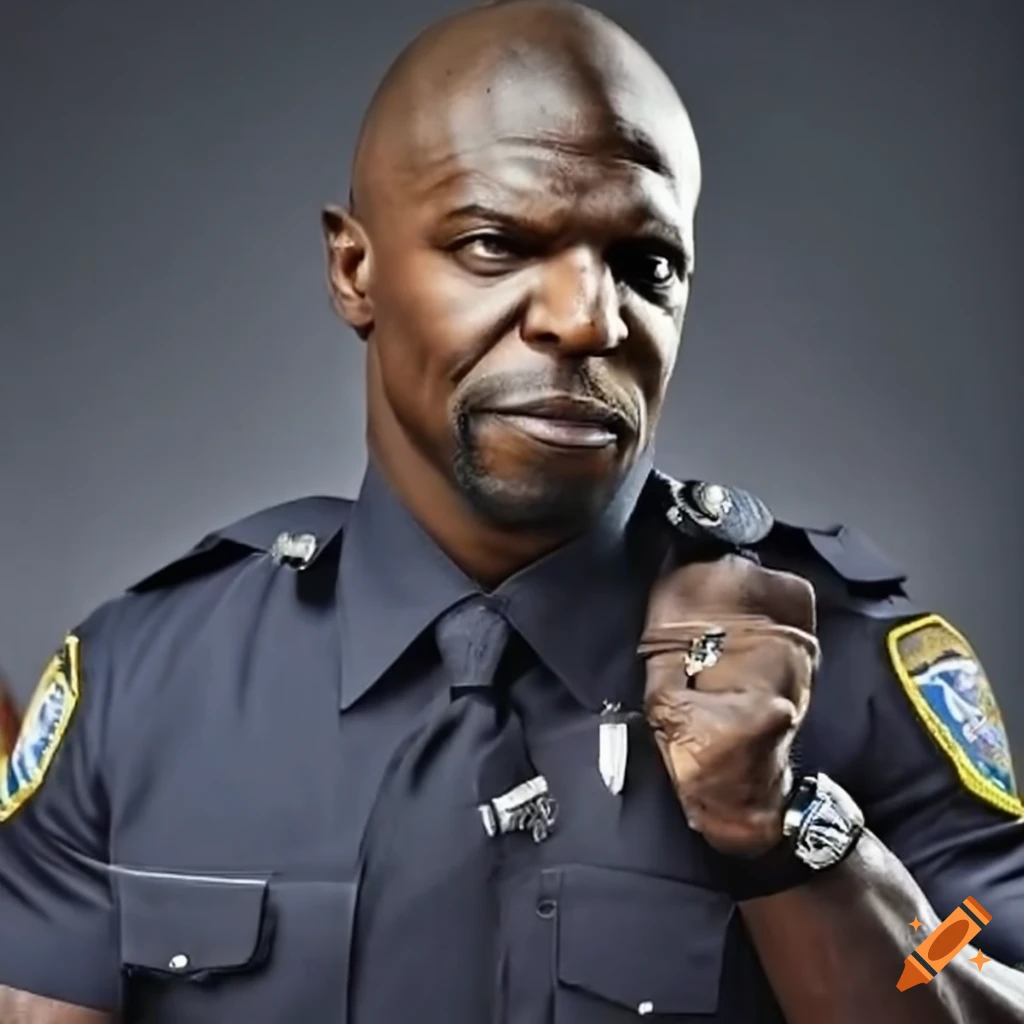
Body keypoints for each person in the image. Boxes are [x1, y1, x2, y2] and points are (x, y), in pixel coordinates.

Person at [1, 1, 1022, 1021]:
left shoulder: (844, 669)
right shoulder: (146, 684)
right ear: (354, 269)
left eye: (646, 264)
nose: (586, 319)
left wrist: (790, 831)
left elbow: (974, 966)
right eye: (494, 244)